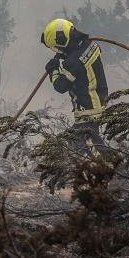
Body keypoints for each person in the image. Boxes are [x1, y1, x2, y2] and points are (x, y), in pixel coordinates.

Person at [40, 18, 110, 158]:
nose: (57, 50)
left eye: (56, 47)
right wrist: (64, 54)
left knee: (91, 148)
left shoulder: (72, 63)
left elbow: (60, 86)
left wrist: (53, 70)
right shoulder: (91, 44)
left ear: (62, 41)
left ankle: (113, 168)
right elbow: (81, 58)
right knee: (72, 144)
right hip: (100, 101)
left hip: (88, 109)